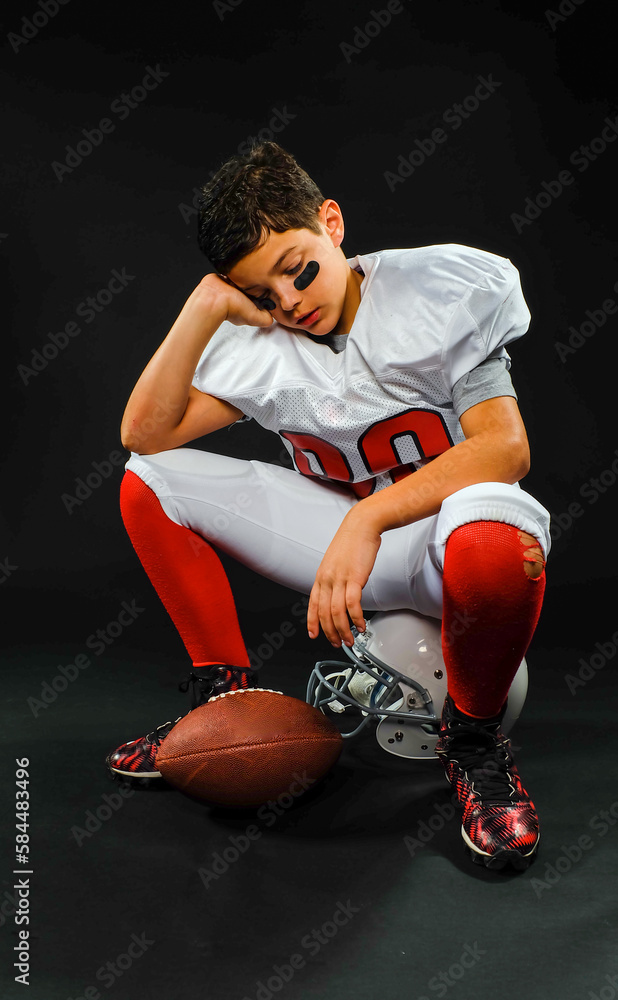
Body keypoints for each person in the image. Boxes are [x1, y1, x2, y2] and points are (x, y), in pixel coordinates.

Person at [107, 141, 550, 872]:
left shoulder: (435, 289)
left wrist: (368, 517)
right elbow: (144, 434)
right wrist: (204, 305)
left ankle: (473, 746)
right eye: (260, 294)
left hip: (443, 540)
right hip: (337, 544)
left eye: (296, 269)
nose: (289, 304)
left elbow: (504, 448)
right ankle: (224, 695)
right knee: (149, 477)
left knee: (497, 525)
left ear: (332, 223)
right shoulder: (262, 336)